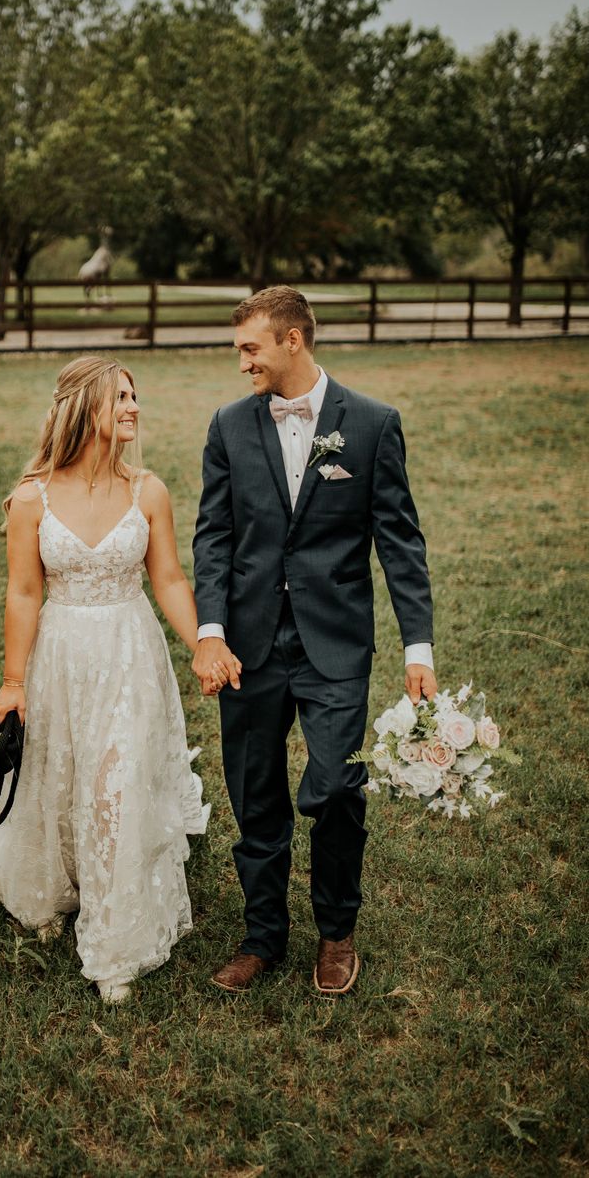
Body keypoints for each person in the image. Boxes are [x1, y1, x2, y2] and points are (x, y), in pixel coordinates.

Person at [0, 356, 233, 1003]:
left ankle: (116, 941)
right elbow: (24, 594)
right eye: (122, 398)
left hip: (129, 652)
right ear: (86, 408)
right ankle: (58, 887)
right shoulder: (33, 498)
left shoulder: (149, 491)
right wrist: (13, 682)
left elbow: (168, 577)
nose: (135, 407)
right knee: (63, 774)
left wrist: (203, 643)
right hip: (60, 654)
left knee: (116, 778)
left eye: (136, 396)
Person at [192, 287, 436, 996]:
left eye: (251, 347)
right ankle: (262, 936)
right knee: (255, 795)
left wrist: (416, 648)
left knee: (335, 788)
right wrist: (212, 631)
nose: (243, 363)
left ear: (293, 340)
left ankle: (336, 931)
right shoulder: (228, 426)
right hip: (248, 644)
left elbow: (400, 542)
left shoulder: (371, 425)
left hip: (334, 644)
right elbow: (214, 535)